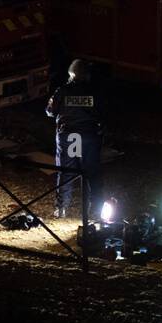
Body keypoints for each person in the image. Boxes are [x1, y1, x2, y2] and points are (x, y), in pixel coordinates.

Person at [46, 59, 102, 221]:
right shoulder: (94, 92)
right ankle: (96, 211)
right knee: (92, 173)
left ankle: (61, 209)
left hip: (68, 137)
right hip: (88, 137)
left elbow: (50, 111)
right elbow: (102, 112)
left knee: (66, 172)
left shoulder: (62, 91)